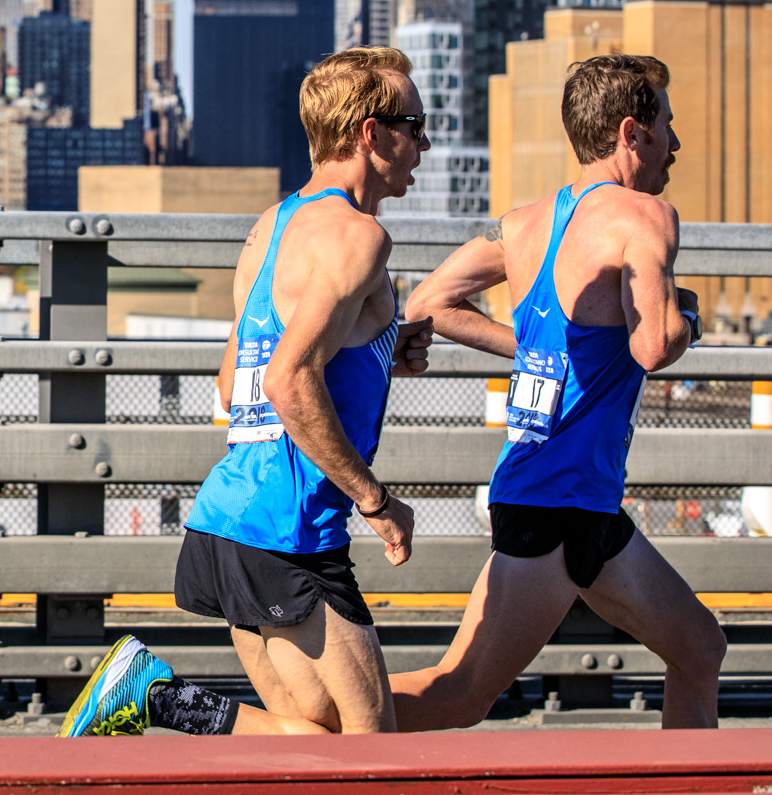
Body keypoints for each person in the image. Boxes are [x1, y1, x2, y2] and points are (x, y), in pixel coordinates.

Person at [60, 47, 433, 738]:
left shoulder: (272, 226)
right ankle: (152, 695)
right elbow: (287, 380)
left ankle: (153, 695)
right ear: (371, 133)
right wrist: (375, 500)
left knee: (311, 734)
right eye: (415, 124)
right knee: (370, 745)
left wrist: (381, 349)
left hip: (230, 515)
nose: (424, 143)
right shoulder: (359, 237)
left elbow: (236, 380)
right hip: (292, 530)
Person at [389, 53, 725, 729]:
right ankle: (259, 723)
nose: (677, 142)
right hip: (555, 506)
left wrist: (534, 346)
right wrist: (687, 318)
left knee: (699, 647)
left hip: (582, 506)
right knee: (457, 696)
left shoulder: (525, 222)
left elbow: (429, 299)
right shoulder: (647, 215)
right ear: (632, 132)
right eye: (667, 124)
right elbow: (653, 345)